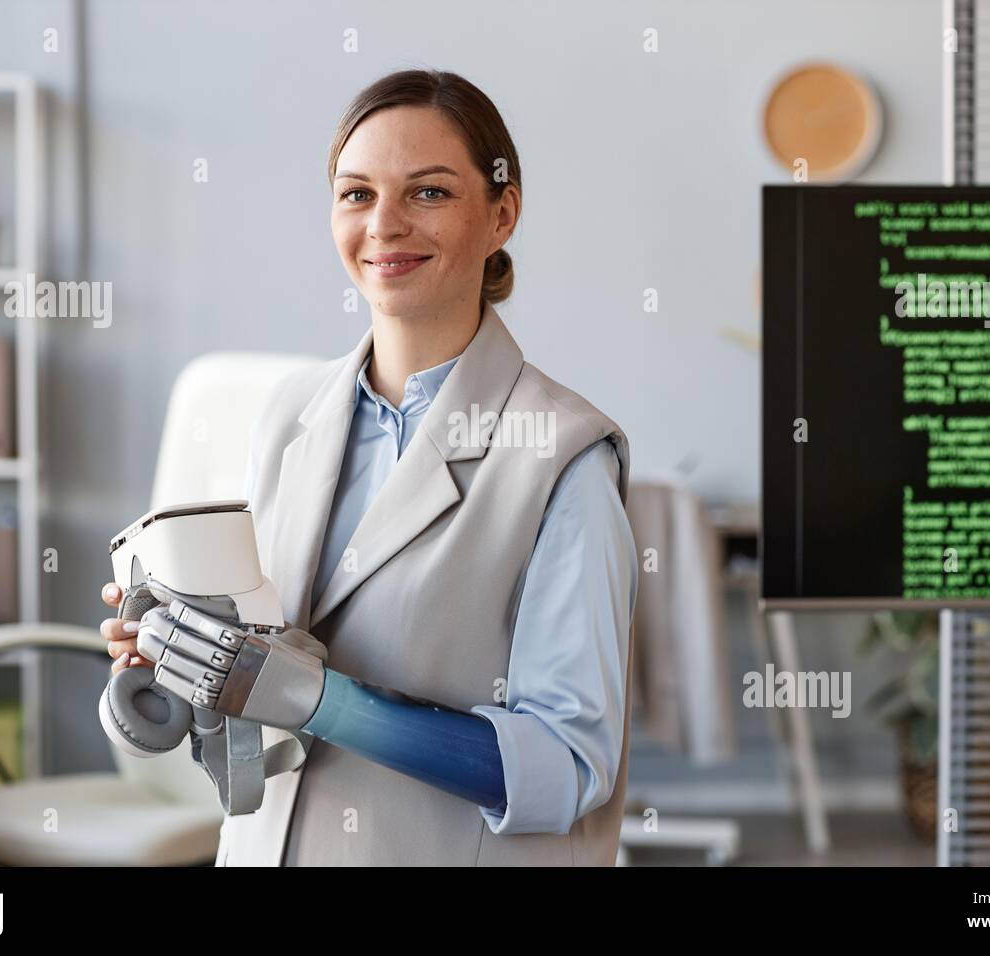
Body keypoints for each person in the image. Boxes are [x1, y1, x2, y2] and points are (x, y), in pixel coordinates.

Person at [99, 68, 637, 866]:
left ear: (502, 214)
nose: (385, 224)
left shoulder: (563, 459)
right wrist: (184, 660)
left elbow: (564, 768)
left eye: (428, 193)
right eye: (356, 194)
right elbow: (270, 680)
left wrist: (329, 703)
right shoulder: (289, 414)